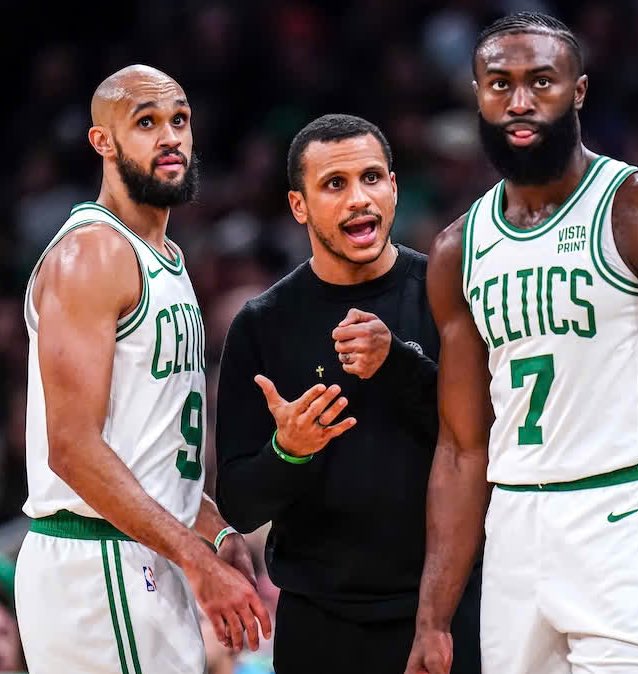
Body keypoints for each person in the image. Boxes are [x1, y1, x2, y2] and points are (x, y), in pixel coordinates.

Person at [406, 11, 638, 674]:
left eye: (541, 81)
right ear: (477, 94)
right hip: (514, 527)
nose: (519, 101)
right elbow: (462, 448)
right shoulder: (457, 249)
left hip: (627, 515)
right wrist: (432, 618)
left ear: (577, 91)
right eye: (500, 84)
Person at [14, 64, 271, 674]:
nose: (170, 137)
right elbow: (72, 448)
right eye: (146, 122)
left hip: (144, 555)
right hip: (99, 561)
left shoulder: (165, 257)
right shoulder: (92, 253)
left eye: (179, 120)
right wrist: (196, 558)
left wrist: (213, 530)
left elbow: (150, 450)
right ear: (102, 142)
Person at [215, 113, 481, 674]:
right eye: (335, 184)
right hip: (319, 624)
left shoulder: (448, 294)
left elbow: (485, 442)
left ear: (395, 187)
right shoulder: (262, 325)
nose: (359, 198)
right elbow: (239, 503)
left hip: (444, 610)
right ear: (299, 206)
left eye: (372, 178)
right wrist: (289, 450)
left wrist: (398, 365)